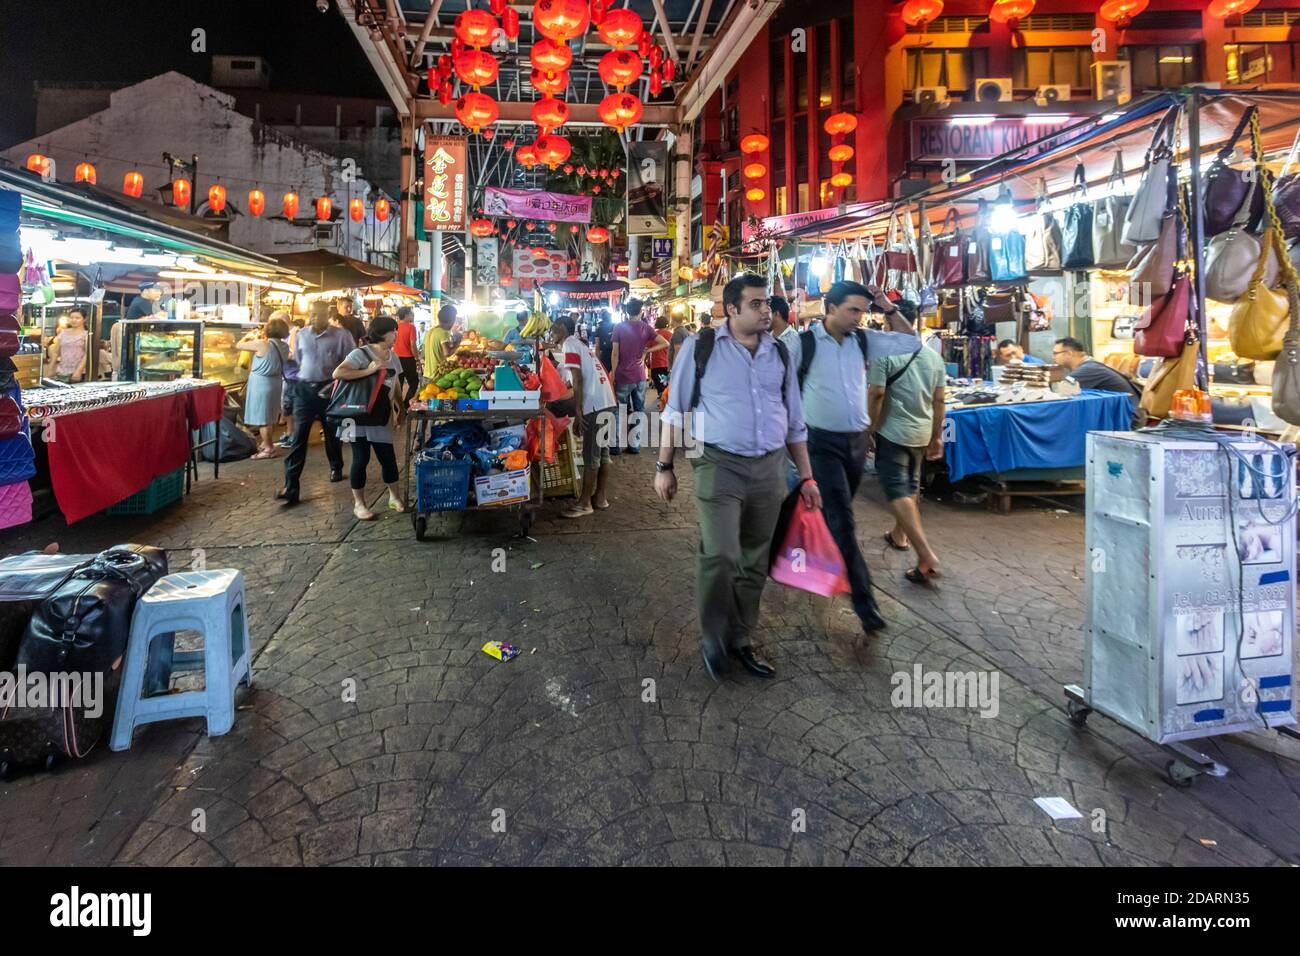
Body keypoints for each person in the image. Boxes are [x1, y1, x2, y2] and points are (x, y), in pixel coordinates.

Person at [656, 272, 820, 682]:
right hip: (718, 463)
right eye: (757, 304)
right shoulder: (702, 347)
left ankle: (740, 636)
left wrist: (808, 476)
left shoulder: (780, 353)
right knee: (721, 553)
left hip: (770, 466)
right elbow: (675, 410)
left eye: (767, 303)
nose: (767, 310)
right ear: (732, 309)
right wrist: (665, 466)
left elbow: (795, 419)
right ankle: (713, 635)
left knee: (755, 558)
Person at [788, 280, 888, 636]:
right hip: (820, 443)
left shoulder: (863, 340)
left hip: (857, 444)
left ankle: (800, 551)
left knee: (831, 514)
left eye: (863, 310)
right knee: (843, 520)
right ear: (830, 308)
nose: (859, 317)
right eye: (853, 310)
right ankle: (865, 603)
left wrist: (887, 307)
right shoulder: (804, 343)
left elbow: (912, 344)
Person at [868, 327, 947, 586]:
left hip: (893, 432)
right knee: (912, 485)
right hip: (921, 434)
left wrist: (869, 428)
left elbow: (876, 394)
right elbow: (939, 401)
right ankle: (899, 535)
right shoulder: (933, 357)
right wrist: (937, 436)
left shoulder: (885, 356)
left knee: (896, 489)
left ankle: (925, 554)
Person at [277, 301, 356, 506]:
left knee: (332, 434)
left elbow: (350, 362)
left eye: (319, 315)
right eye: (312, 315)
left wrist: (338, 387)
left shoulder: (341, 336)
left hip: (329, 391)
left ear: (327, 314)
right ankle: (291, 487)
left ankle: (336, 466)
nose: (314, 319)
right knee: (298, 438)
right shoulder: (302, 334)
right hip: (304, 391)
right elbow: (300, 359)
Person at [333, 315, 407, 521]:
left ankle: (395, 497)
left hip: (381, 413)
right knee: (360, 458)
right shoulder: (360, 353)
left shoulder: (393, 356)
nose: (396, 335)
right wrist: (368, 370)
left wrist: (400, 408)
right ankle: (359, 504)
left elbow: (396, 384)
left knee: (388, 457)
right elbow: (338, 373)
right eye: (393, 331)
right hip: (356, 415)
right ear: (383, 333)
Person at [552, 314, 616, 518]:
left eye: (553, 328)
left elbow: (577, 379)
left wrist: (578, 411)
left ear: (562, 328)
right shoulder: (579, 344)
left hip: (595, 404)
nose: (551, 332)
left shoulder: (570, 344)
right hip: (608, 401)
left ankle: (584, 503)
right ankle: (600, 497)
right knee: (603, 452)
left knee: (591, 455)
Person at [609, 298, 667, 454]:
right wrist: (647, 351)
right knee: (639, 409)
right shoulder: (646, 328)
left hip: (623, 375)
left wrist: (613, 373)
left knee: (619, 409)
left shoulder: (619, 328)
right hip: (640, 376)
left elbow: (615, 353)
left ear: (627, 311)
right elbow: (665, 343)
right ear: (641, 311)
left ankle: (615, 445)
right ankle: (634, 445)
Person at [238, 313, 292, 459]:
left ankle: (268, 448)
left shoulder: (262, 344)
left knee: (262, 417)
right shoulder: (285, 346)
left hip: (261, 383)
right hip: (275, 382)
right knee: (270, 415)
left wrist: (249, 336)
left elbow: (238, 345)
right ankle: (265, 443)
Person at [276, 316, 306, 449]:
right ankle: (290, 433)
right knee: (287, 407)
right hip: (287, 376)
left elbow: (294, 355)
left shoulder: (296, 333)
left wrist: (279, 355)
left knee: (290, 407)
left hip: (293, 377)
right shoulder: (287, 334)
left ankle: (293, 435)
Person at [48, 309, 89, 383]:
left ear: (84, 319)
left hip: (78, 373)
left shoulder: (86, 335)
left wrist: (78, 371)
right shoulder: (63, 333)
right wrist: (51, 368)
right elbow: (56, 352)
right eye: (71, 318)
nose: (74, 320)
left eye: (77, 318)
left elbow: (87, 354)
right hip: (61, 371)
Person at [393, 306, 421, 406]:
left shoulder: (395, 327)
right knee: (414, 383)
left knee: (398, 384)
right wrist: (417, 359)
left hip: (396, 358)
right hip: (408, 359)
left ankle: (397, 406)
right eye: (411, 313)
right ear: (406, 315)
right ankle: (405, 405)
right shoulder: (411, 327)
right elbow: (413, 345)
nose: (413, 315)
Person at [422, 304, 457, 379]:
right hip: (437, 376)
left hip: (426, 375)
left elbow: (422, 355)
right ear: (452, 320)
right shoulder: (443, 332)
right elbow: (447, 353)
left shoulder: (429, 332)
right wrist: (458, 344)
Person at [648, 315, 672, 395]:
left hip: (655, 363)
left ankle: (662, 398)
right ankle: (663, 399)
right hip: (666, 363)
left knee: (659, 383)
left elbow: (647, 349)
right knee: (664, 383)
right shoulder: (670, 334)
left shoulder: (653, 335)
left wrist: (647, 362)